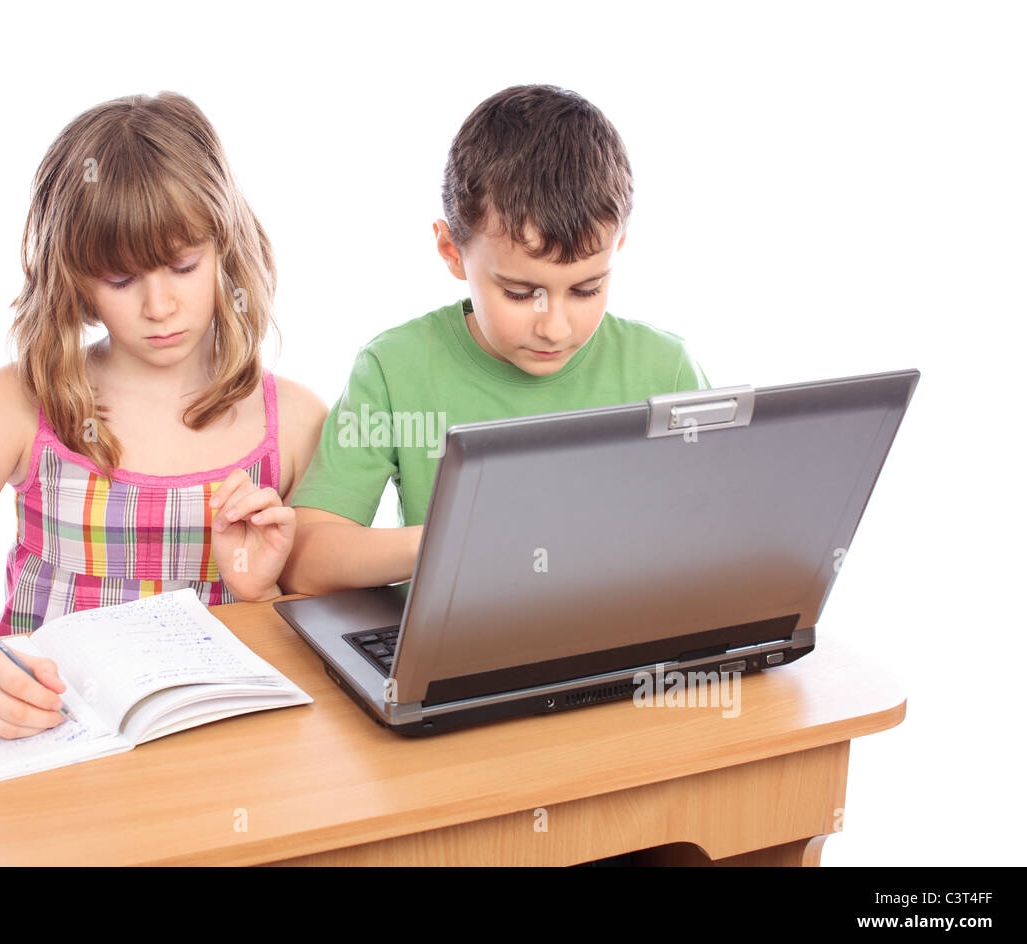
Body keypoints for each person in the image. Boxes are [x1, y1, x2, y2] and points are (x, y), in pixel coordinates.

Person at [0, 92, 328, 739]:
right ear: (76, 279)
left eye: (183, 265)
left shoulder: (293, 423)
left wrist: (260, 594)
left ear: (225, 248)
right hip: (53, 753)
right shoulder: (20, 405)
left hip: (223, 762)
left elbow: (322, 654)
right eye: (122, 279)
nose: (160, 305)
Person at [281, 84, 710, 596]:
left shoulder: (666, 369)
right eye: (520, 292)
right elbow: (305, 559)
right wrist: (450, 541)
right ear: (452, 251)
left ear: (618, 245)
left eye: (587, 288)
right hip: (463, 659)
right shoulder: (395, 369)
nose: (555, 327)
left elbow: (727, 533)